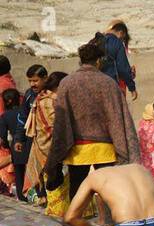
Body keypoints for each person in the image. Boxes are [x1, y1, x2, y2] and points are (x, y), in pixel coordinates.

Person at [45, 41, 139, 200]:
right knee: (109, 191)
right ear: (98, 61)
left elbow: (62, 121)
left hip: (78, 150)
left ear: (81, 61)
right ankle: (109, 223)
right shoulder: (108, 83)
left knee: (78, 191)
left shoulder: (67, 83)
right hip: (105, 149)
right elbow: (119, 116)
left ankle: (74, 222)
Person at [24, 71, 65, 214]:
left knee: (50, 178)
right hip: (51, 145)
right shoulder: (51, 100)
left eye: (35, 80)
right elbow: (54, 126)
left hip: (42, 144)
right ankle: (56, 209)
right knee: (54, 179)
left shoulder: (40, 98)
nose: (32, 84)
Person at [99, 21, 137, 100]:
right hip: (110, 87)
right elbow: (122, 69)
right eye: (123, 39)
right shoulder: (116, 43)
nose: (122, 41)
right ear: (121, 33)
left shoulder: (95, 41)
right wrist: (132, 88)